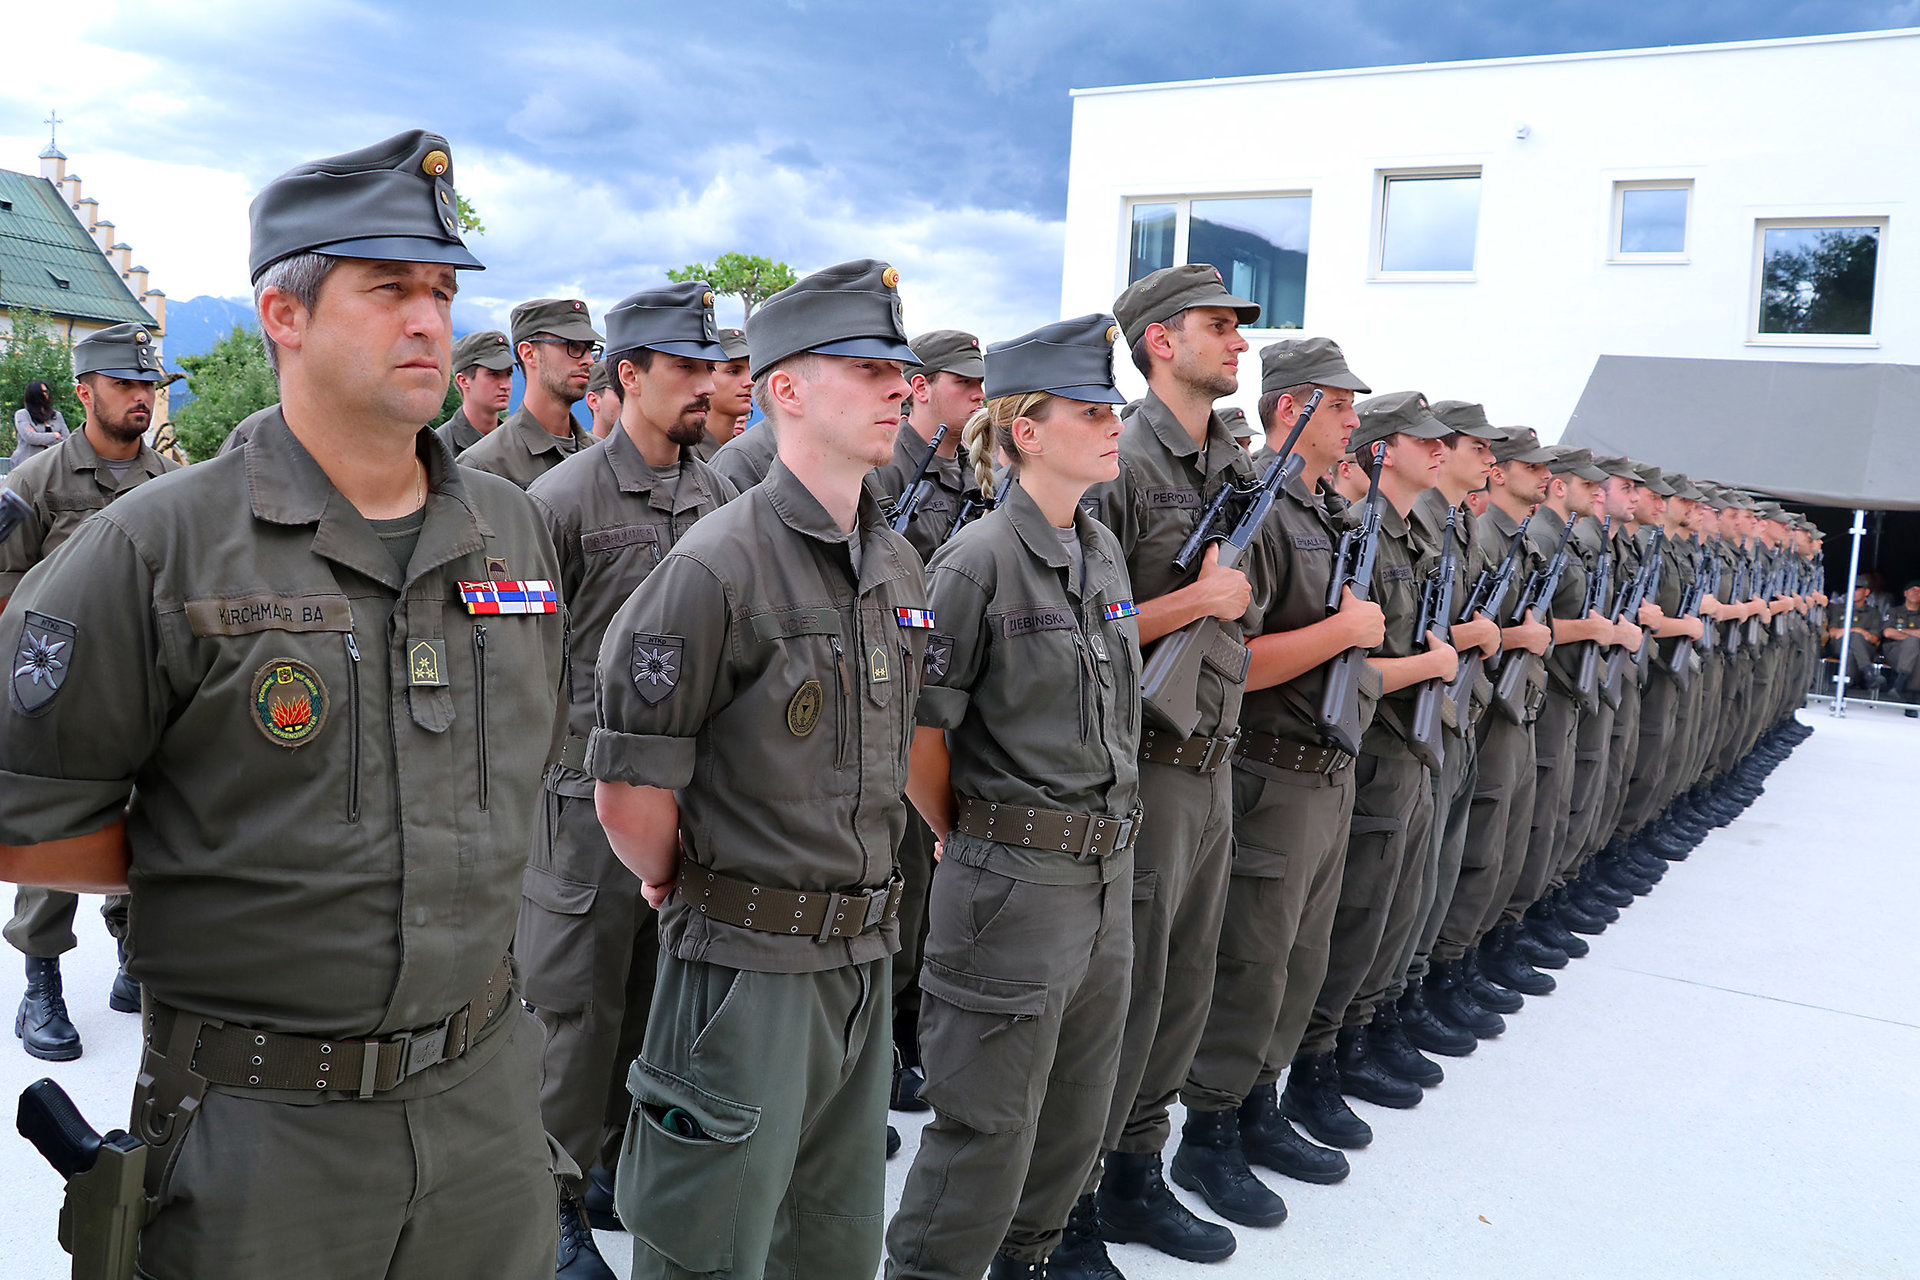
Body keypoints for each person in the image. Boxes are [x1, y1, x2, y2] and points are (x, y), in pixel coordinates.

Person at [0, 130, 572, 1280]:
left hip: (484, 1104)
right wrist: (215, 867)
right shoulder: (157, 546)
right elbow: (23, 813)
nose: (430, 319)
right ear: (283, 314)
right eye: (390, 289)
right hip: (262, 1130)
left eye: (442, 289)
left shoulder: (512, 528)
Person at [589, 258, 930, 1280]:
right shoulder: (714, 566)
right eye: (868, 369)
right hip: (746, 970)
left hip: (861, 963)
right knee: (709, 1249)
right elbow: (629, 790)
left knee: (829, 1246)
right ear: (787, 388)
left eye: (899, 370)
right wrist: (680, 880)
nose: (899, 388)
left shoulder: (894, 562)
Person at [884, 314, 1141, 1280]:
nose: (1114, 425)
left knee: (1077, 1108)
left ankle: (1029, 1259)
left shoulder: (1100, 548)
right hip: (1014, 883)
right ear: (1026, 431)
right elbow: (919, 733)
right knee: (987, 1126)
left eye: (1113, 409)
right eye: (1092, 411)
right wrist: (967, 833)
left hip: (1105, 874)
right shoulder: (975, 561)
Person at [521, 280, 738, 1270]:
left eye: (709, 367)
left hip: (686, 799)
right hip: (578, 803)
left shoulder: (720, 499)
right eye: (684, 367)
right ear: (630, 375)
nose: (705, 385)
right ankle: (551, 1204)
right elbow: (514, 665)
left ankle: (612, 1162)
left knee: (657, 1000)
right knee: (577, 1011)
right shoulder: (561, 502)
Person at [1065, 264, 1262, 1269]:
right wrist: (1194, 602)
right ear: (1160, 341)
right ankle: (1068, 1202)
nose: (1240, 342)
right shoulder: (1119, 460)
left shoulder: (1230, 462)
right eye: (1219, 325)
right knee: (1125, 996)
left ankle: (1139, 1172)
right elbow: (1072, 624)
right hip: (1142, 763)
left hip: (1215, 758)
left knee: (1185, 985)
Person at [1176, 338, 1383, 1223]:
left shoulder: (1329, 509)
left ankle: (1261, 1104)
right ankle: (1208, 1134)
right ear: (1291, 407)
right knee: (1252, 964)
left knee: (1300, 958)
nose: (1355, 420)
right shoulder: (1260, 506)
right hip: (1271, 769)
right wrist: (1343, 634)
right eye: (1340, 405)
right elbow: (1237, 660)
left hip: (1327, 770)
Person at [1281, 393, 1458, 1146]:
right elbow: (1354, 669)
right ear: (1383, 450)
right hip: (1369, 746)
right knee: (1349, 921)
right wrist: (1434, 664)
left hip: (1407, 748)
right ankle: (1316, 1065)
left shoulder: (1415, 535)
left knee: (1390, 909)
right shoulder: (1360, 536)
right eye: (1426, 440)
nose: (1443, 450)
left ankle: (1359, 1034)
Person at [3, 323, 176, 1062]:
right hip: (59, 695)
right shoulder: (34, 484)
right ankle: (40, 982)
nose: (141, 397)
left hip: (150, 688)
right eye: (124, 384)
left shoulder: (172, 486)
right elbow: (6, 600)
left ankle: (134, 958)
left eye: (148, 385)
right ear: (83, 391)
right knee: (57, 833)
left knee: (154, 823)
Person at [459, 297, 600, 487]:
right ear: (528, 353)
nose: (588, 360)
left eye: (590, 349)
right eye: (573, 346)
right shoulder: (484, 466)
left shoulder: (602, 455)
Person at [435, 329, 514, 455]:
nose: (505, 385)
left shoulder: (517, 443)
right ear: (464, 381)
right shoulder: (438, 448)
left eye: (509, 374)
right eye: (494, 374)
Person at [693, 326, 752, 460]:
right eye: (733, 371)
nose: (750, 382)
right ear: (704, 376)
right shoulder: (681, 457)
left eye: (751, 370)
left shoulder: (748, 456)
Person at [1826, 581, 1883, 693]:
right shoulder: (1838, 609)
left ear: (1866, 592)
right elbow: (1832, 632)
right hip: (1839, 646)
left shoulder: (1874, 613)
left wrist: (1847, 632)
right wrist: (1857, 630)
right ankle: (1868, 673)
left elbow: (1874, 638)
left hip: (1865, 648)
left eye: (1856, 589)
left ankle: (1843, 686)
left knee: (1853, 647)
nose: (1852, 592)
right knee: (1854, 639)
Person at [11, 379, 70, 466]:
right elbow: (30, 437)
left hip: (52, 463)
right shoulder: (22, 414)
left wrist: (41, 440)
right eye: (42, 392)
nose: (45, 394)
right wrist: (55, 435)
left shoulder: (57, 415)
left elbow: (66, 439)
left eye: (46, 391)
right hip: (27, 463)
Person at [1881, 581, 1920, 707]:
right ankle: (1912, 698)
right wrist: (1914, 636)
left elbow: (1894, 631)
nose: (1916, 593)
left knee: (1917, 655)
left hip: (1915, 654)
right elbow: (1888, 633)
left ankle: (1900, 685)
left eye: (1919, 591)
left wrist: (1900, 631)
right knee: (1913, 642)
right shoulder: (1893, 611)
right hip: (1894, 650)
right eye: (1913, 589)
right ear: (1905, 593)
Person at [582, 359, 622, 440]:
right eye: (621, 392)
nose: (630, 400)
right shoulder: (577, 446)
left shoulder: (645, 446)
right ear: (594, 401)